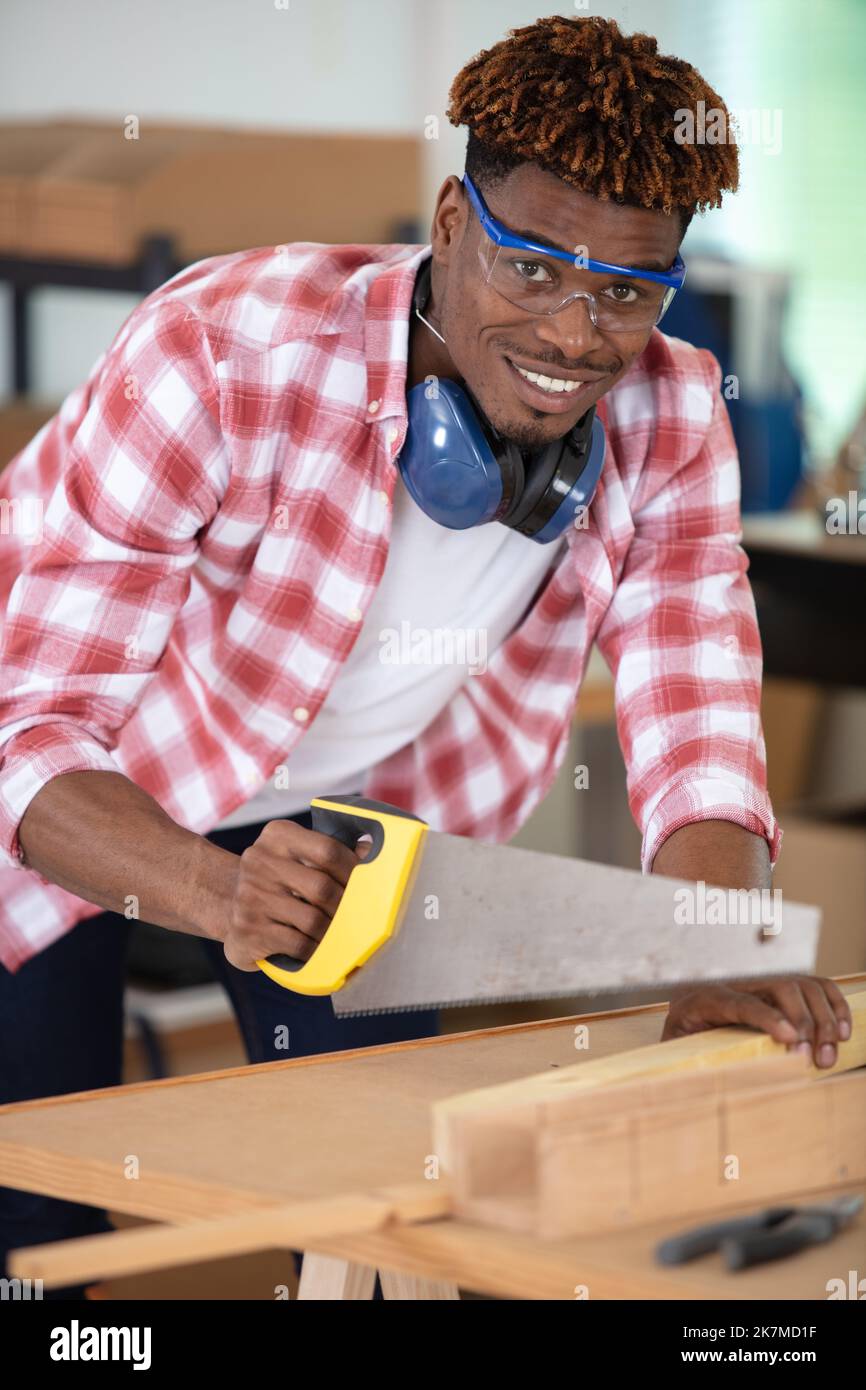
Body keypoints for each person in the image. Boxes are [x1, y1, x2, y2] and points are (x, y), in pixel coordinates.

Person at [0, 14, 850, 1293]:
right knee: (38, 1222)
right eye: (532, 272)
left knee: (379, 1203)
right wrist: (214, 890)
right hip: (87, 787)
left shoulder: (670, 414)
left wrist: (712, 952)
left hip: (336, 815)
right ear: (451, 222)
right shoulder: (220, 351)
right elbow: (30, 730)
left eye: (624, 289)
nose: (574, 336)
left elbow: (700, 723)